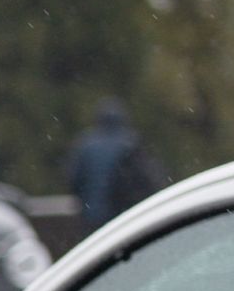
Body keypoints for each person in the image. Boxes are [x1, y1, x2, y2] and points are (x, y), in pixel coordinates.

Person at [66, 98, 163, 234]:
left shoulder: (86, 145)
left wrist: (87, 203)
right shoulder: (131, 142)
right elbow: (148, 180)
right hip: (123, 217)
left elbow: (74, 180)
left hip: (92, 216)